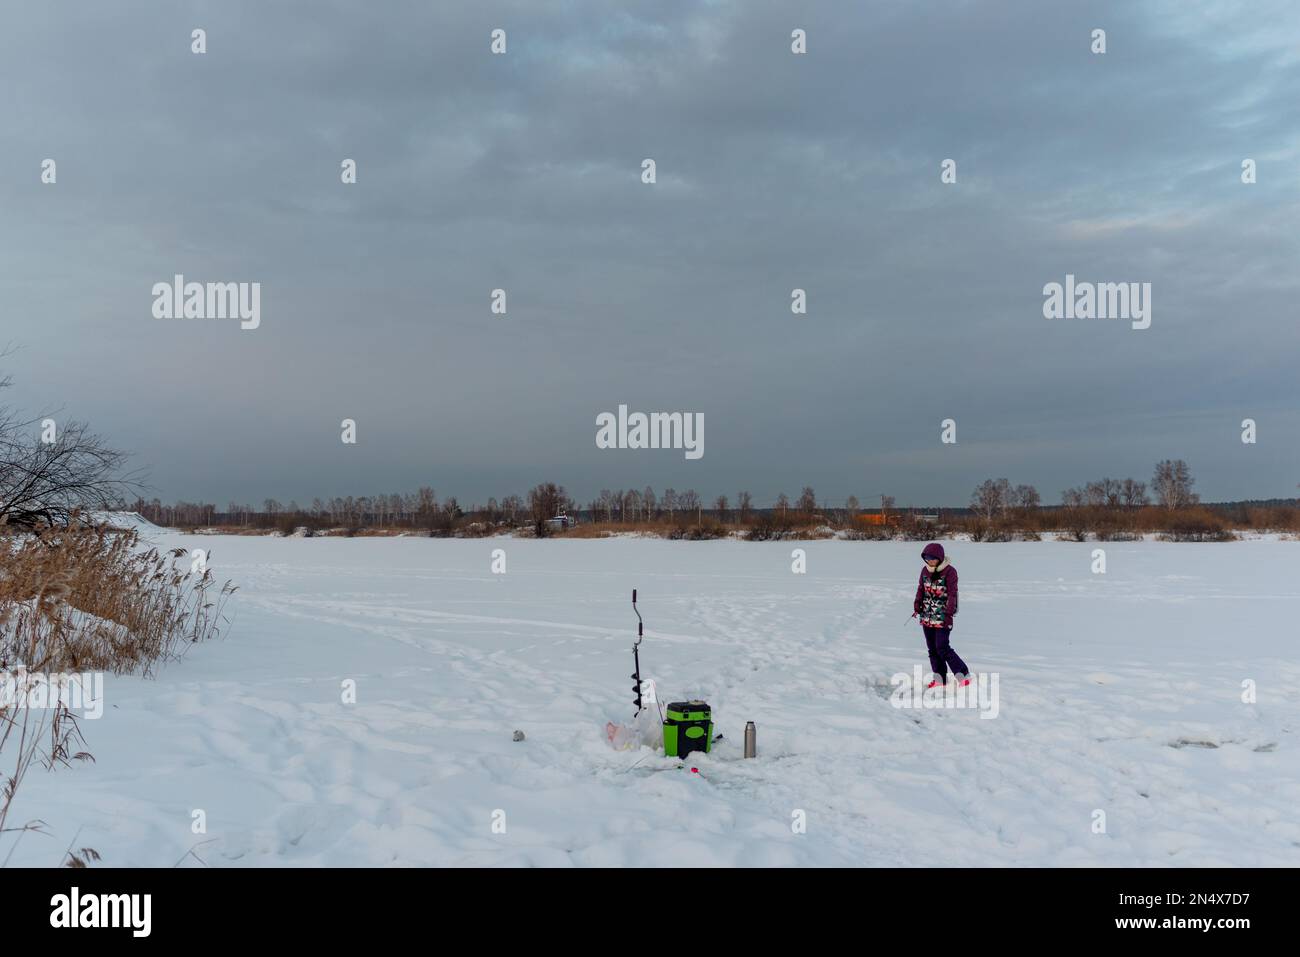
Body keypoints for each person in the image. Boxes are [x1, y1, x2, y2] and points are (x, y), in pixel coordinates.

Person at [912, 542, 970, 688]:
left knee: (942, 647)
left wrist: (949, 611)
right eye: (927, 558)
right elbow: (921, 589)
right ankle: (940, 680)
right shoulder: (925, 571)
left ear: (940, 557)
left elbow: (952, 593)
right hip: (927, 616)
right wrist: (917, 604)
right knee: (932, 649)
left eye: (932, 558)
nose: (929, 561)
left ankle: (963, 675)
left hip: (943, 616)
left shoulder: (950, 571)